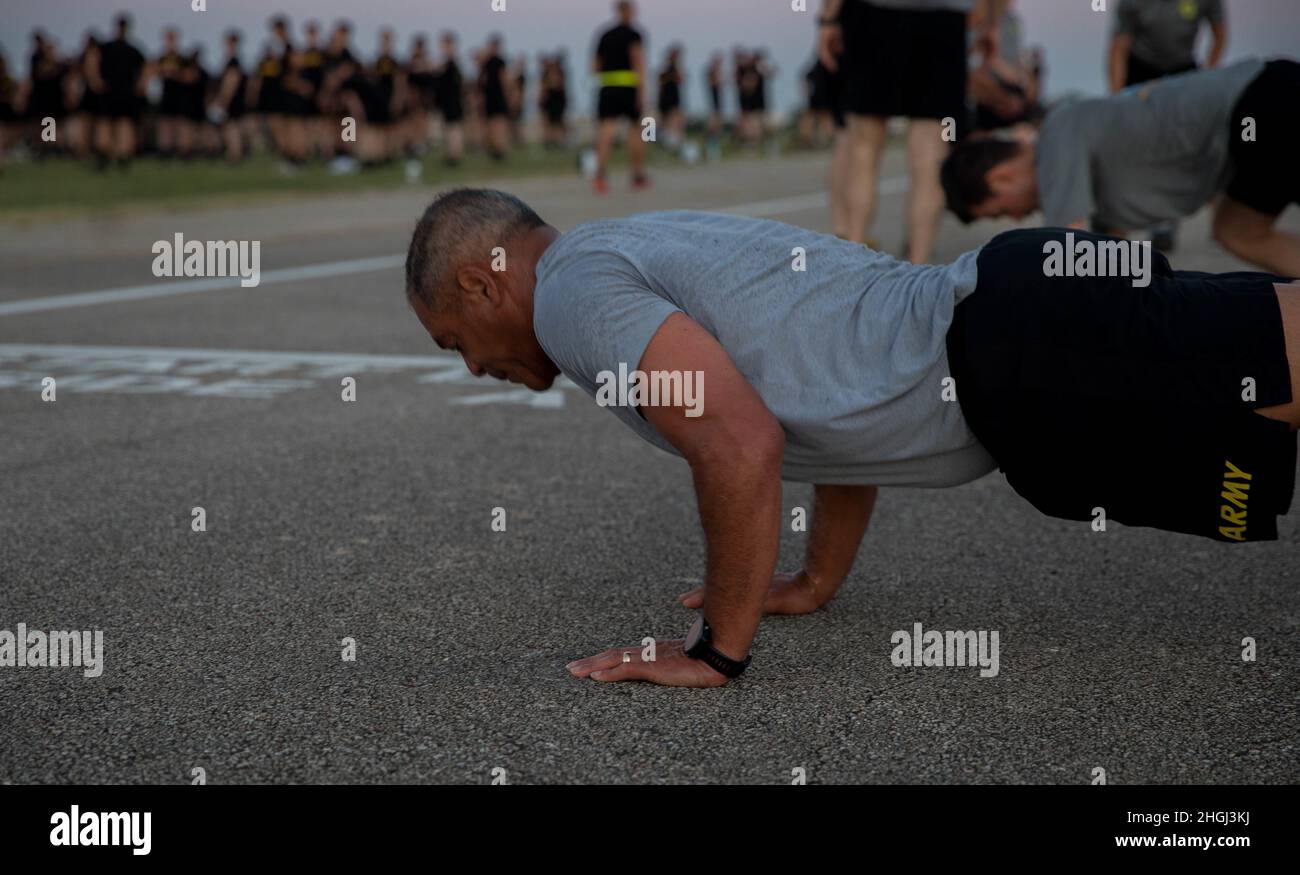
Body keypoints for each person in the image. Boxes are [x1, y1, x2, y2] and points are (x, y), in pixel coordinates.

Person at [403, 189, 1300, 687]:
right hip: (1021, 344)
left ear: (484, 285)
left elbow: (739, 444)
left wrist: (717, 646)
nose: (472, 367)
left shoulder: (569, 296)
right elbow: (827, 405)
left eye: (454, 341)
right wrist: (817, 576)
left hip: (1025, 348)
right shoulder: (630, 243)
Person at [941, 59, 1300, 277]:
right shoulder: (1081, 157)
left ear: (1001, 178)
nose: (1018, 219)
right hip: (1265, 102)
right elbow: (1107, 263)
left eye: (1003, 211)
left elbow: (1067, 257)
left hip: (1263, 107)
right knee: (1237, 228)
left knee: (1237, 230)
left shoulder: (1055, 139)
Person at [817, 0, 1006, 262]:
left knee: (863, 151)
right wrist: (992, 23)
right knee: (930, 160)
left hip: (873, 14)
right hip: (944, 18)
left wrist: (828, 17)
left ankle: (853, 256)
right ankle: (918, 266)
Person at [1108, 0, 1228, 253]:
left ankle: (1166, 219)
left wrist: (1209, 75)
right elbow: (1118, 48)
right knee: (1138, 145)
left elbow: (1219, 33)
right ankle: (1121, 221)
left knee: (1185, 148)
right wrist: (1117, 99)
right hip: (1140, 67)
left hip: (1184, 68)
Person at [591, 0, 648, 193]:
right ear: (629, 12)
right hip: (628, 86)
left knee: (606, 130)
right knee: (635, 130)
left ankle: (599, 175)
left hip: (607, 86)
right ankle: (637, 175)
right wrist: (641, 91)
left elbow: (595, 66)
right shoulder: (634, 34)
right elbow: (638, 61)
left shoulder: (604, 34)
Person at [90, 13, 146, 169]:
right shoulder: (132, 49)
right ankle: (117, 156)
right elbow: (146, 69)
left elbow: (92, 61)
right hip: (121, 91)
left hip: (116, 91)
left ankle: (113, 156)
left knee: (114, 124)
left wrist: (96, 81)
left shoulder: (112, 48)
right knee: (117, 124)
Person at [212, 30, 248, 163]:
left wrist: (223, 100)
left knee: (232, 127)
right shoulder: (233, 59)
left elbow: (231, 82)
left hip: (232, 99)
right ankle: (234, 152)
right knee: (232, 126)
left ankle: (235, 154)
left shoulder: (233, 61)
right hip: (233, 98)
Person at [433, 31, 465, 166]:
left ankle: (454, 156)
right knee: (450, 129)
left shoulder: (451, 63)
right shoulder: (450, 63)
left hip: (452, 102)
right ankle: (452, 155)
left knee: (453, 129)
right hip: (449, 101)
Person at [477, 34, 510, 161]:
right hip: (491, 98)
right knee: (492, 126)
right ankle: (497, 150)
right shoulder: (489, 62)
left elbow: (504, 80)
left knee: (498, 125)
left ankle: (500, 150)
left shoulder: (498, 62)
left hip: (496, 97)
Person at [655, 45, 684, 151]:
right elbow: (680, 80)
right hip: (670, 99)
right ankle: (671, 142)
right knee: (672, 121)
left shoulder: (666, 69)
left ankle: (669, 142)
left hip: (668, 99)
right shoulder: (671, 69)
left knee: (668, 121)